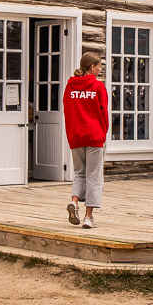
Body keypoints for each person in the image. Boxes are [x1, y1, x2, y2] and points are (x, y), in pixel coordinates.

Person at [62, 51, 108, 229]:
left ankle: (74, 203)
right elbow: (104, 112)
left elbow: (67, 111)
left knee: (80, 173)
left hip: (76, 136)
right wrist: (103, 133)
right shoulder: (98, 87)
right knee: (94, 176)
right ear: (92, 67)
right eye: (99, 66)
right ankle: (89, 217)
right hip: (94, 136)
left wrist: (71, 132)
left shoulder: (70, 87)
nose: (100, 69)